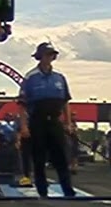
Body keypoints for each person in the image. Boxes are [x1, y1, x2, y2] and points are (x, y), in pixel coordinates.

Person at [17, 42, 76, 198]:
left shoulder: (59, 78)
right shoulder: (30, 77)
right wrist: (24, 126)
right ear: (40, 57)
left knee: (61, 156)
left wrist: (68, 123)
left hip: (55, 121)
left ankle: (68, 190)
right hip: (37, 121)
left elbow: (65, 102)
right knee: (39, 157)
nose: (51, 57)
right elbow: (21, 105)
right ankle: (42, 191)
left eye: (52, 54)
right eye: (48, 54)